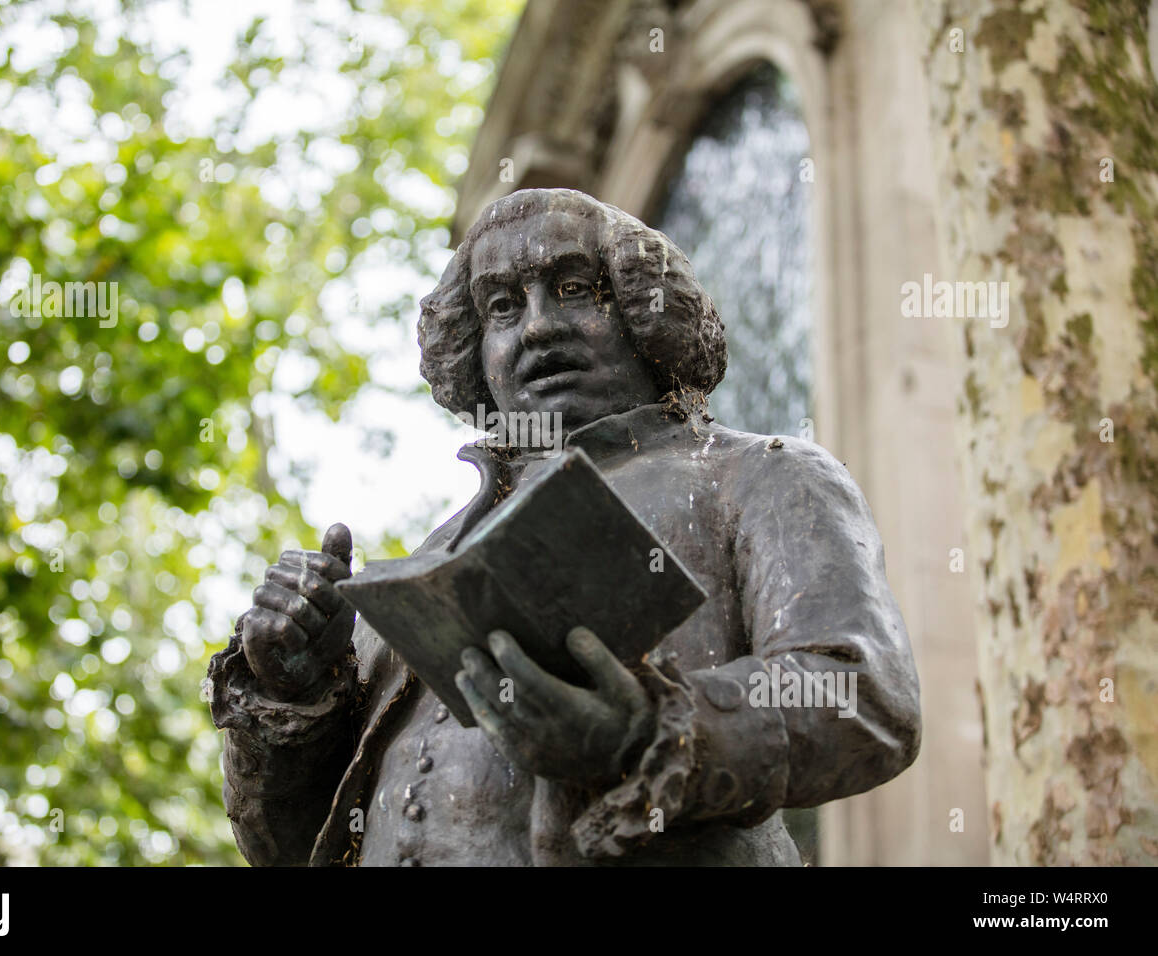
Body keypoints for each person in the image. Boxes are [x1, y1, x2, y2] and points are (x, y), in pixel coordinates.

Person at [206, 187, 921, 866]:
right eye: (502, 307)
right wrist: (295, 689)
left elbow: (862, 693)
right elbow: (288, 848)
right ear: (476, 349)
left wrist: (646, 732)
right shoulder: (428, 565)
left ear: (647, 311)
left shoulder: (759, 475)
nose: (539, 325)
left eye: (575, 289)